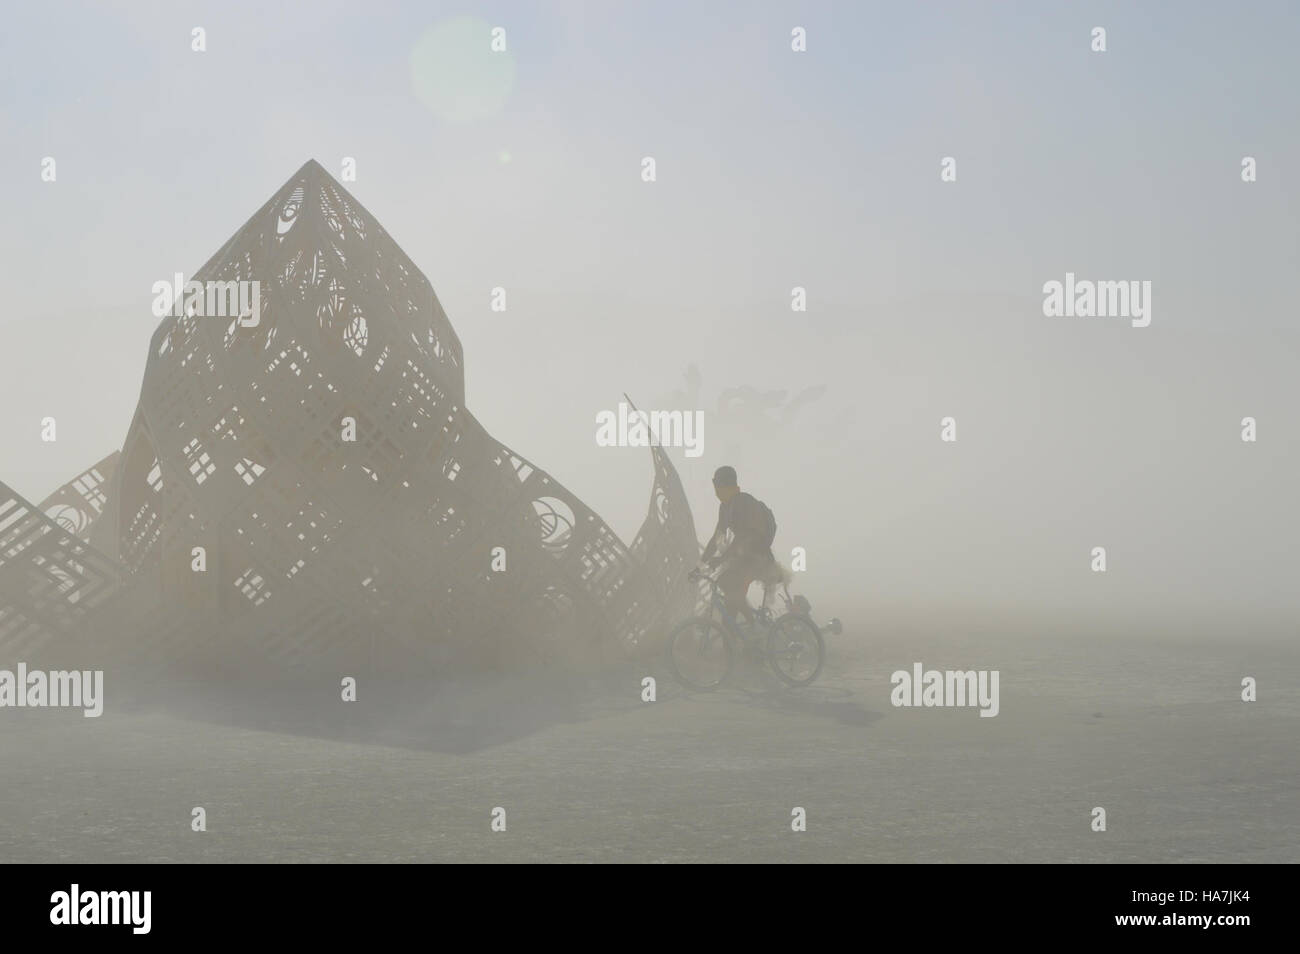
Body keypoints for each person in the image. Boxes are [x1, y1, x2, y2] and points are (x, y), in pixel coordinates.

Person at [699, 466, 780, 632]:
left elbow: (744, 536)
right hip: (743, 557)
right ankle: (737, 646)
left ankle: (755, 627)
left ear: (725, 485)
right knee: (729, 608)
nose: (716, 491)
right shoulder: (725, 506)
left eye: (717, 486)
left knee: (728, 585)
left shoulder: (742, 502)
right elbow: (717, 538)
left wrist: (722, 559)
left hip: (758, 557)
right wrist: (699, 564)